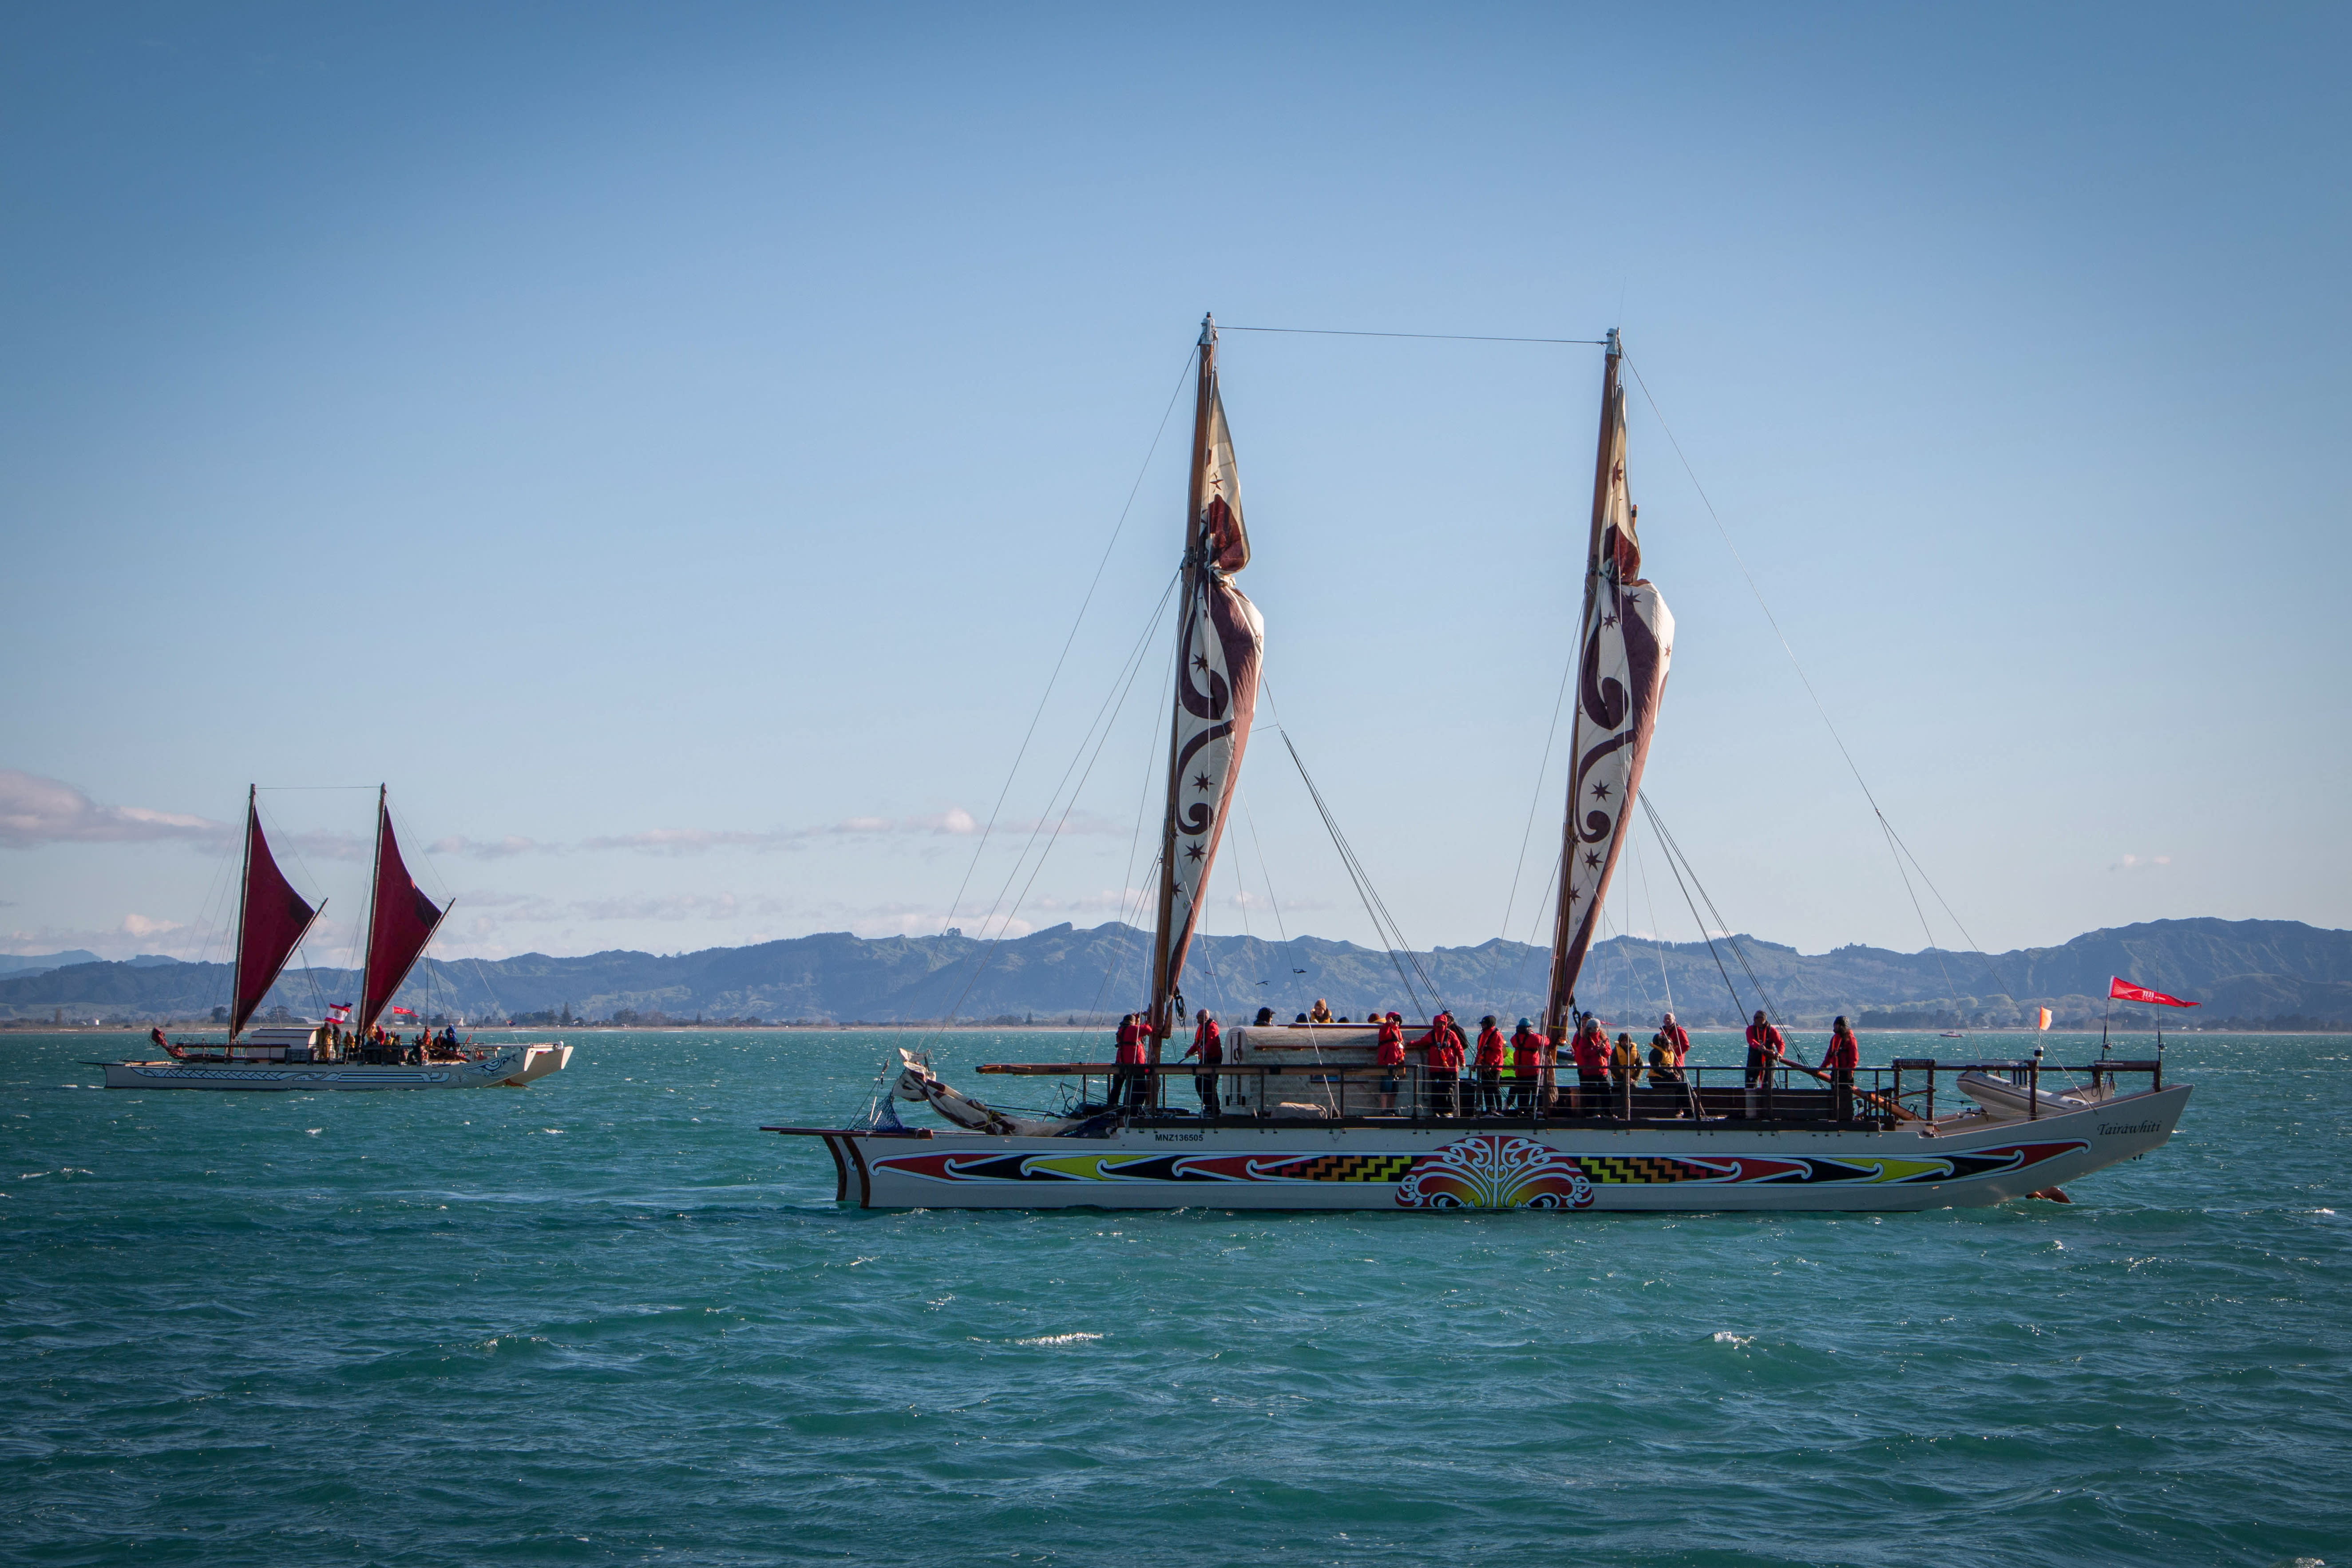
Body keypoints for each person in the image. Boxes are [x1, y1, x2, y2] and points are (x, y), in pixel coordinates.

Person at [1412, 1011, 1465, 1117]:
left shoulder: (1451, 1034)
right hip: (1435, 1068)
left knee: (1448, 1089)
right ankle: (1437, 1111)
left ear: (1445, 1024)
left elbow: (1459, 1048)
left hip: (1449, 1068)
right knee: (1436, 1090)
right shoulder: (1431, 1035)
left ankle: (1448, 1111)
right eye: (1438, 1024)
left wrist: (1463, 1061)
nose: (1440, 1026)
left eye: (1442, 1024)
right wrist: (1410, 1044)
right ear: (1435, 1024)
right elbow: (1422, 1042)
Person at [1181, 1008, 1223, 1117]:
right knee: (1200, 1082)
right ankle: (1209, 1106)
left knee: (1209, 1083)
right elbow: (1198, 1043)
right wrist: (1189, 1052)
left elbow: (1212, 1039)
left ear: (1204, 1017)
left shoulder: (1212, 1027)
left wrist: (1205, 1050)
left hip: (1212, 1059)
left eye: (1199, 1016)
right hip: (1205, 1059)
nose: (1196, 1018)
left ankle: (1214, 1108)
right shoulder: (1201, 1028)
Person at [1744, 1010, 1786, 1118]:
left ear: (1763, 1019)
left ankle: (1767, 1112)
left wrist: (1780, 1054)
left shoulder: (1772, 1030)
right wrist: (1758, 1046)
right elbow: (1751, 1040)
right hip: (1754, 1058)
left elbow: (1780, 1043)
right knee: (1750, 1084)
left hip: (1769, 1059)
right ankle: (1751, 1113)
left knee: (1768, 1085)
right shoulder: (1750, 1029)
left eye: (1757, 1018)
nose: (1755, 1020)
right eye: (1754, 1018)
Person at [1568, 1014, 1609, 1113]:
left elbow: (1608, 1052)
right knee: (1590, 1093)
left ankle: (1608, 1113)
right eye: (1594, 1028)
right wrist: (1596, 1049)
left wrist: (1603, 1049)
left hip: (1602, 1070)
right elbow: (1583, 1052)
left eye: (1597, 1027)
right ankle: (1590, 1114)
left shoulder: (1603, 1038)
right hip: (1589, 1070)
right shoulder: (1584, 1038)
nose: (1596, 1030)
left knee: (1606, 1092)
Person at [1822, 1015, 1859, 1121]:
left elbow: (1854, 1058)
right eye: (1835, 1025)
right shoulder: (1834, 1039)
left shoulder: (1851, 1039)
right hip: (1835, 1073)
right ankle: (1836, 1117)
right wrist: (1822, 1068)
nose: (1835, 1027)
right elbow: (1829, 1055)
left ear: (1843, 1026)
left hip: (1845, 1074)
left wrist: (1850, 1072)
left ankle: (1848, 1118)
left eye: (1837, 1025)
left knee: (1846, 1097)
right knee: (1835, 1096)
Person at [1509, 1018, 1545, 1113]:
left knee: (1523, 1092)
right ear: (1529, 1028)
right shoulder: (1534, 1038)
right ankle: (1535, 1109)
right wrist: (1534, 1034)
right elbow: (1546, 1042)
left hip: (1520, 1071)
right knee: (1537, 1091)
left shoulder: (1515, 1038)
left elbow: (1512, 1041)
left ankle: (1522, 1109)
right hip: (1533, 1070)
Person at [1113, 1013, 1147, 1112]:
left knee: (1119, 1087)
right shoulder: (1133, 1030)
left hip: (1121, 1063)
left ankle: (1114, 1106)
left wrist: (1136, 1019)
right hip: (1134, 1065)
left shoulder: (1121, 1030)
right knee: (1139, 1088)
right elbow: (1148, 1029)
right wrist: (1145, 1022)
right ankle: (1134, 1109)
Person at [1473, 1015, 1507, 1114]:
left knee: (1495, 1087)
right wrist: (1476, 1064)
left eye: (1484, 1024)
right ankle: (1490, 1109)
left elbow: (1497, 1052)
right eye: (1482, 1024)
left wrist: (1491, 1065)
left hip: (1495, 1067)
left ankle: (1499, 1110)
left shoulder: (1497, 1035)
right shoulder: (1482, 1035)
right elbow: (1480, 1051)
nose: (1483, 1026)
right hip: (1484, 1066)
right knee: (1486, 1088)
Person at [1375, 1011, 1406, 1113]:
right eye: (1395, 1021)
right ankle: (1384, 1110)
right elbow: (1384, 1034)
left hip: (1397, 1065)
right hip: (1386, 1064)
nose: (1397, 1023)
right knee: (1386, 1088)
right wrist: (1388, 1024)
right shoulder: (1385, 1029)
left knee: (1394, 1089)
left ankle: (1391, 1109)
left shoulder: (1399, 1033)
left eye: (1398, 1021)